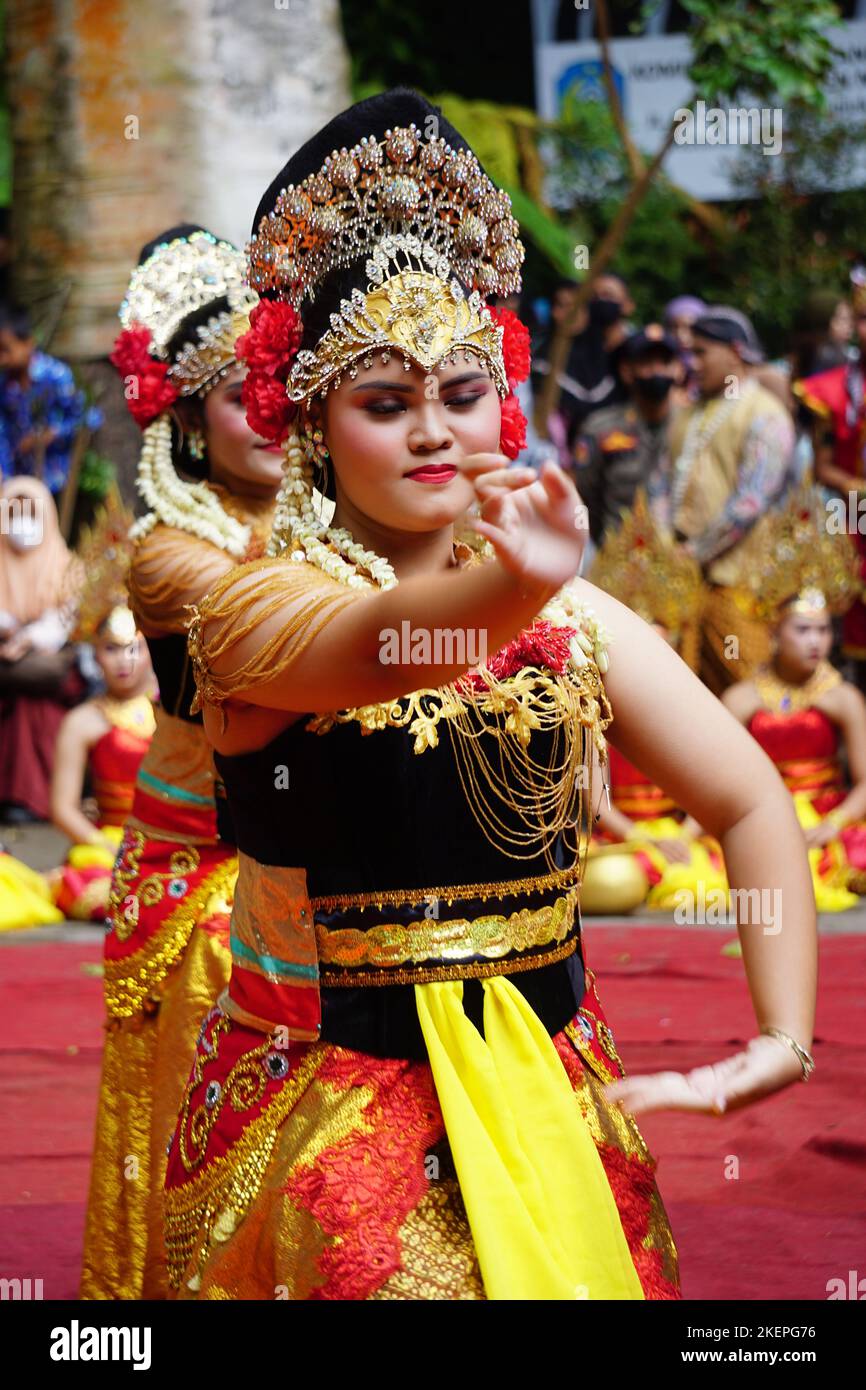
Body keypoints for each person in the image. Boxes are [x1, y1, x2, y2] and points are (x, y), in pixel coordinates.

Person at [159, 90, 816, 1303]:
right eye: (383, 401)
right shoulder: (248, 612)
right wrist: (516, 584)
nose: (432, 433)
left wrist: (773, 1043)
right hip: (331, 1120)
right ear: (308, 417)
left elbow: (747, 800)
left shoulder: (565, 614)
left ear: (501, 397)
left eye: (459, 393)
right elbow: (384, 646)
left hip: (551, 1103)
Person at [80, 226, 281, 1300]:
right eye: (242, 396)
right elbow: (288, 640)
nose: (271, 418)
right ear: (192, 418)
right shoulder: (168, 554)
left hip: (311, 852)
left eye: (289, 393)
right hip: (203, 862)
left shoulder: (325, 523)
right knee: (223, 987)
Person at [722, 478, 866, 912]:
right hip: (763, 821)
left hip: (828, 821)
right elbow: (721, 781)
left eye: (823, 630)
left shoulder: (843, 697)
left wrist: (832, 824)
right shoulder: (742, 699)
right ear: (774, 632)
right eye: (802, 630)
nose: (815, 641)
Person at [582, 491, 728, 915]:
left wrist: (684, 835)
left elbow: (718, 785)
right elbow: (595, 801)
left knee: (707, 879)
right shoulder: (594, 710)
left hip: (676, 832)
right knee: (615, 878)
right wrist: (643, 838)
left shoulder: (692, 710)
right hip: (624, 836)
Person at [663, 305, 796, 694]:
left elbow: (750, 503)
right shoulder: (687, 414)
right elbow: (658, 487)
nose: (692, 362)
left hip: (739, 584)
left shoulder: (765, 414)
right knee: (685, 701)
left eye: (702, 352)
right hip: (682, 583)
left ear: (735, 351)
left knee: (750, 695)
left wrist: (695, 553)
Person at [49, 494, 157, 922]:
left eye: (135, 648)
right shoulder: (82, 721)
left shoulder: (175, 715)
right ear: (94, 654)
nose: (125, 660)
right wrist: (105, 844)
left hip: (168, 842)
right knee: (93, 890)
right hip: (106, 843)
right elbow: (63, 809)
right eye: (113, 649)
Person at [794, 273, 866, 691]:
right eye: (862, 318)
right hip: (852, 524)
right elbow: (822, 467)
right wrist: (854, 485)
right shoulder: (833, 389)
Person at [0, 475, 85, 823]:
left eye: (30, 513)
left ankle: (38, 797)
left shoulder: (67, 566)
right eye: (14, 513)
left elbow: (70, 618)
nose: (22, 524)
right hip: (9, 667)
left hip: (45, 671)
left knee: (33, 704)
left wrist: (29, 638)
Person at [574, 324, 684, 547]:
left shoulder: (692, 426)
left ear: (677, 369)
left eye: (665, 362)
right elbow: (586, 496)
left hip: (680, 561)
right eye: (647, 363)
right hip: (619, 558)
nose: (657, 371)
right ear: (627, 370)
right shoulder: (599, 429)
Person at [532, 272, 634, 447]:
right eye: (559, 305)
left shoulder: (610, 365)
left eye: (574, 306)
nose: (565, 314)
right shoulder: (540, 362)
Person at [0, 303, 89, 495]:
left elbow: (87, 418)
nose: (2, 359)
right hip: (17, 478)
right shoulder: (4, 385)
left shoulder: (56, 376)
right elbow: (3, 433)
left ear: (29, 342)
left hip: (55, 476)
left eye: (6, 350)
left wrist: (51, 435)